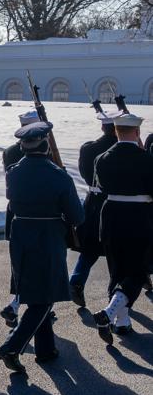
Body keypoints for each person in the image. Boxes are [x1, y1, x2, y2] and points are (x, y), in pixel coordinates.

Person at [0, 122, 84, 372]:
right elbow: (76, 216)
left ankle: (45, 348)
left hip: (21, 236)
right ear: (46, 145)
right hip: (47, 238)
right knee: (44, 297)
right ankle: (11, 347)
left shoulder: (13, 172)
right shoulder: (58, 175)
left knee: (37, 292)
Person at [90, 112, 153, 343]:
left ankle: (122, 321)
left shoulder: (102, 158)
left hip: (111, 216)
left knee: (117, 269)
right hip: (139, 217)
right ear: (137, 132)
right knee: (137, 270)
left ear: (116, 131)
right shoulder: (147, 159)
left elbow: (100, 189)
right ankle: (109, 313)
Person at [69, 110, 119, 308]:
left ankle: (77, 281)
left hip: (93, 201)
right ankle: (118, 294)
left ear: (102, 127)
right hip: (115, 202)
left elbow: (83, 173)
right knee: (118, 250)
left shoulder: (88, 149)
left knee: (89, 249)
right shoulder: (118, 149)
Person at [0, 111, 43, 328]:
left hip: (16, 214)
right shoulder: (43, 149)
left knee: (19, 265)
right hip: (39, 216)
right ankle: (28, 305)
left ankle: (16, 304)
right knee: (39, 267)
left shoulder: (9, 151)